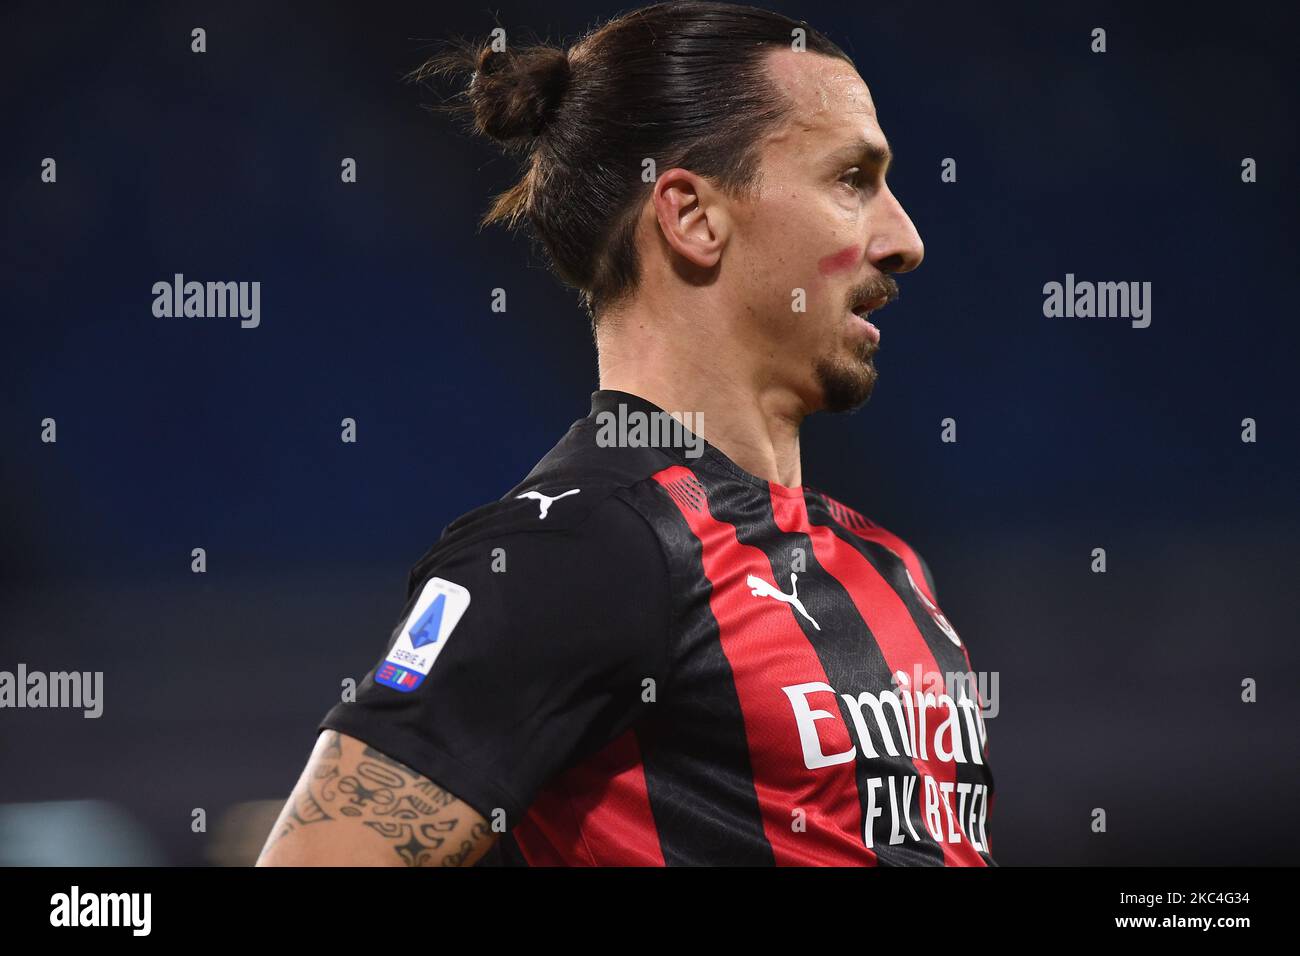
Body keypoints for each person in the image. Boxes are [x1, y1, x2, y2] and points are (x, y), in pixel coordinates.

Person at [257, 0, 995, 867]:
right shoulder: (580, 550)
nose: (903, 238)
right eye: (851, 180)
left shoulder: (887, 566)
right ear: (691, 215)